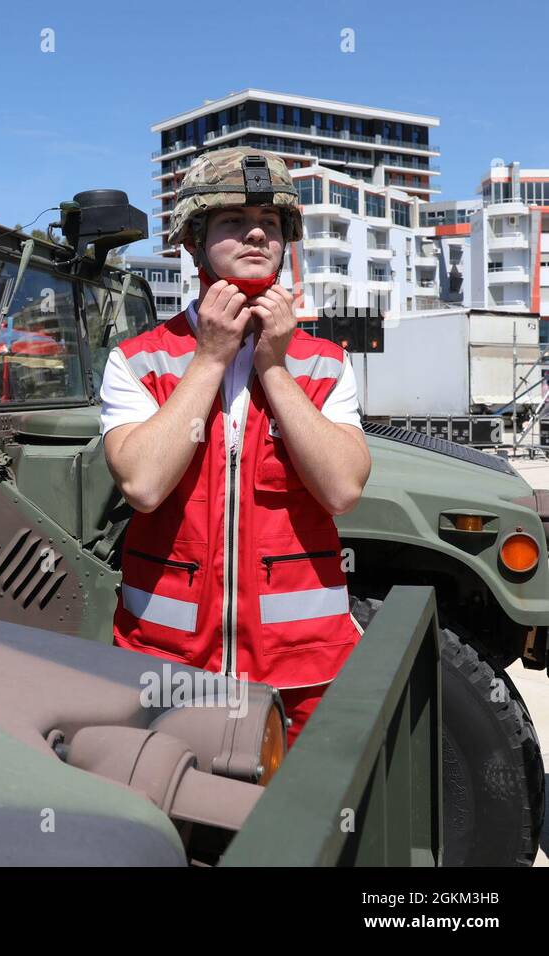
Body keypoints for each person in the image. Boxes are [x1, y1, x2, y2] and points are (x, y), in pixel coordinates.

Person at [100, 147, 371, 747]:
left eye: (270, 224)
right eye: (231, 221)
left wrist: (275, 368)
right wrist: (212, 358)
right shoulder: (138, 360)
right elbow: (143, 484)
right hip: (168, 670)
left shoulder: (325, 365)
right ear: (193, 241)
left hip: (303, 675)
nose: (255, 232)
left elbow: (342, 488)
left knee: (299, 833)